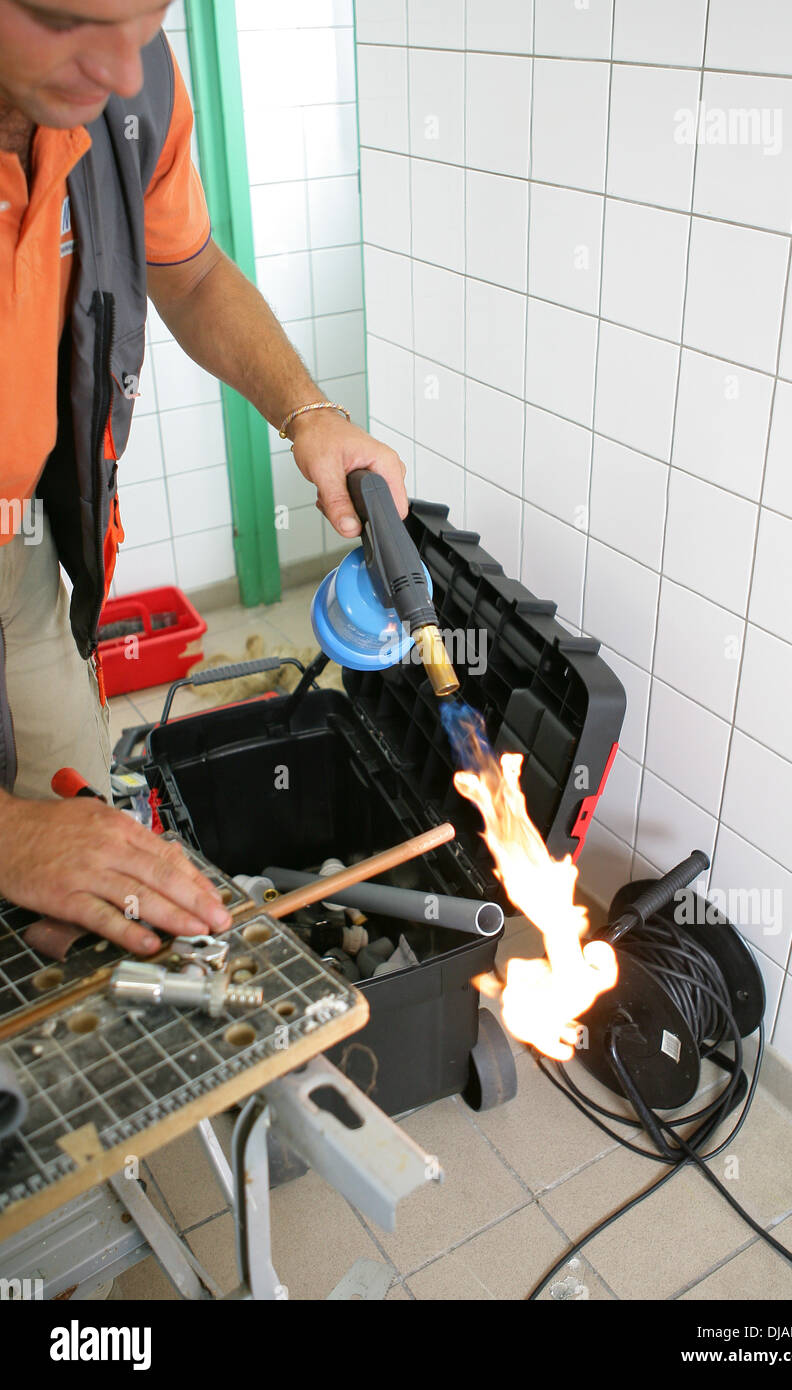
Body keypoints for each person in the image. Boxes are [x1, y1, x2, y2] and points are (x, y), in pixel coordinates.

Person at [0, 0, 408, 954]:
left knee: (79, 886)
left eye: (146, 19)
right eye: (66, 20)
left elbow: (186, 274)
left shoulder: (133, 92)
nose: (117, 67)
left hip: (16, 550)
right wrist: (12, 840)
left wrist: (311, 413)